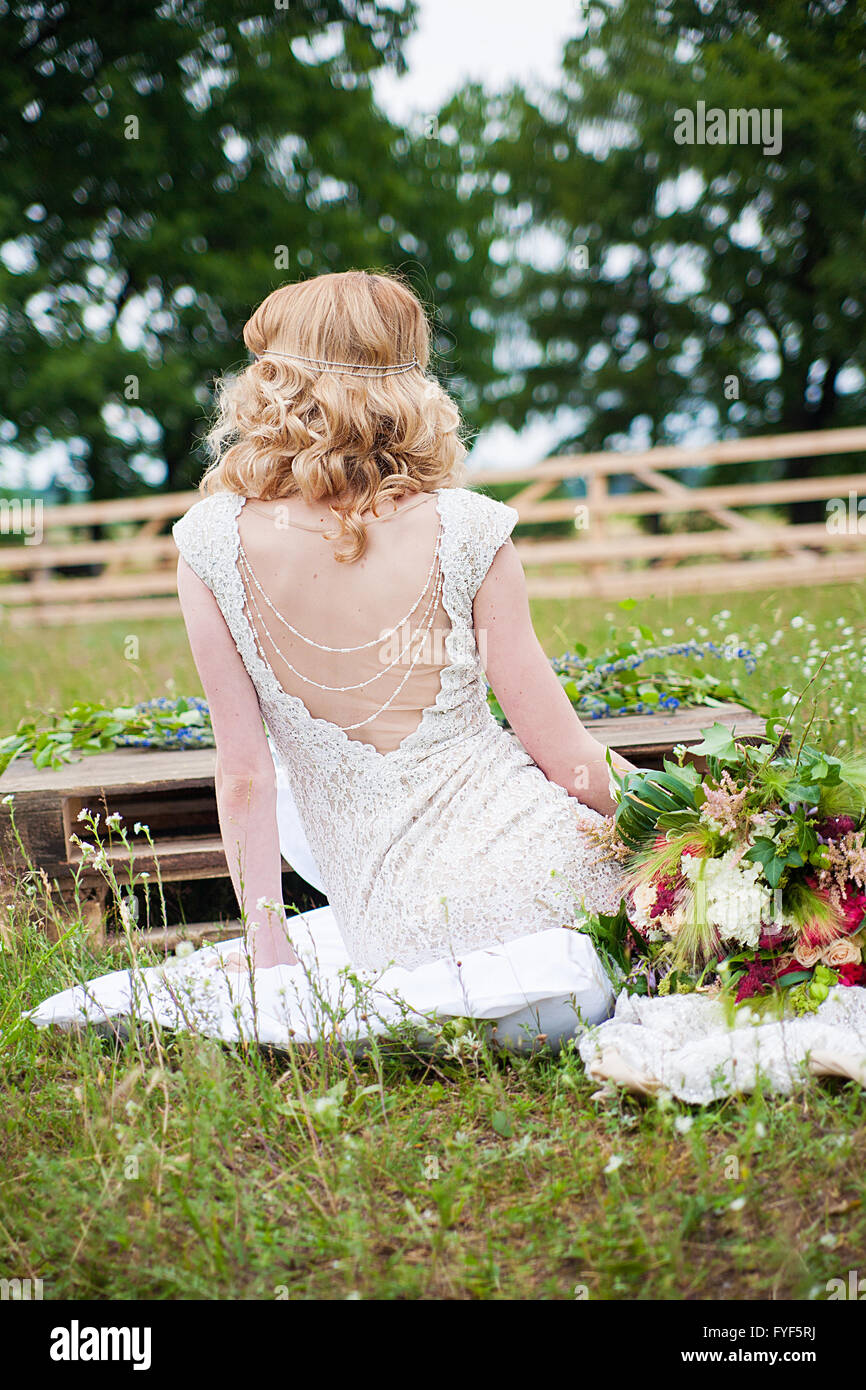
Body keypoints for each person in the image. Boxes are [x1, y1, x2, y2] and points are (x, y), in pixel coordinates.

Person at [172, 269, 635, 977]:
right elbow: (567, 756)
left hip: (403, 936)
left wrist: (269, 953)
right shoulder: (473, 529)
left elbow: (244, 776)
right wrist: (706, 820)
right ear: (409, 385)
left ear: (275, 385)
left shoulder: (208, 543)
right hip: (560, 888)